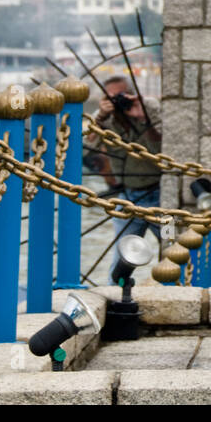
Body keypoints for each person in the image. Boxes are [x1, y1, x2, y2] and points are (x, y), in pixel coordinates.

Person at [82, 74, 162, 283]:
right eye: (112, 97)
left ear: (132, 93)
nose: (119, 101)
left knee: (174, 249)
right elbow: (84, 152)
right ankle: (115, 296)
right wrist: (99, 119)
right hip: (128, 198)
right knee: (121, 258)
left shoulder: (148, 107)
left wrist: (143, 119)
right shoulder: (103, 118)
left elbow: (164, 152)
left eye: (122, 95)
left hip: (162, 196)